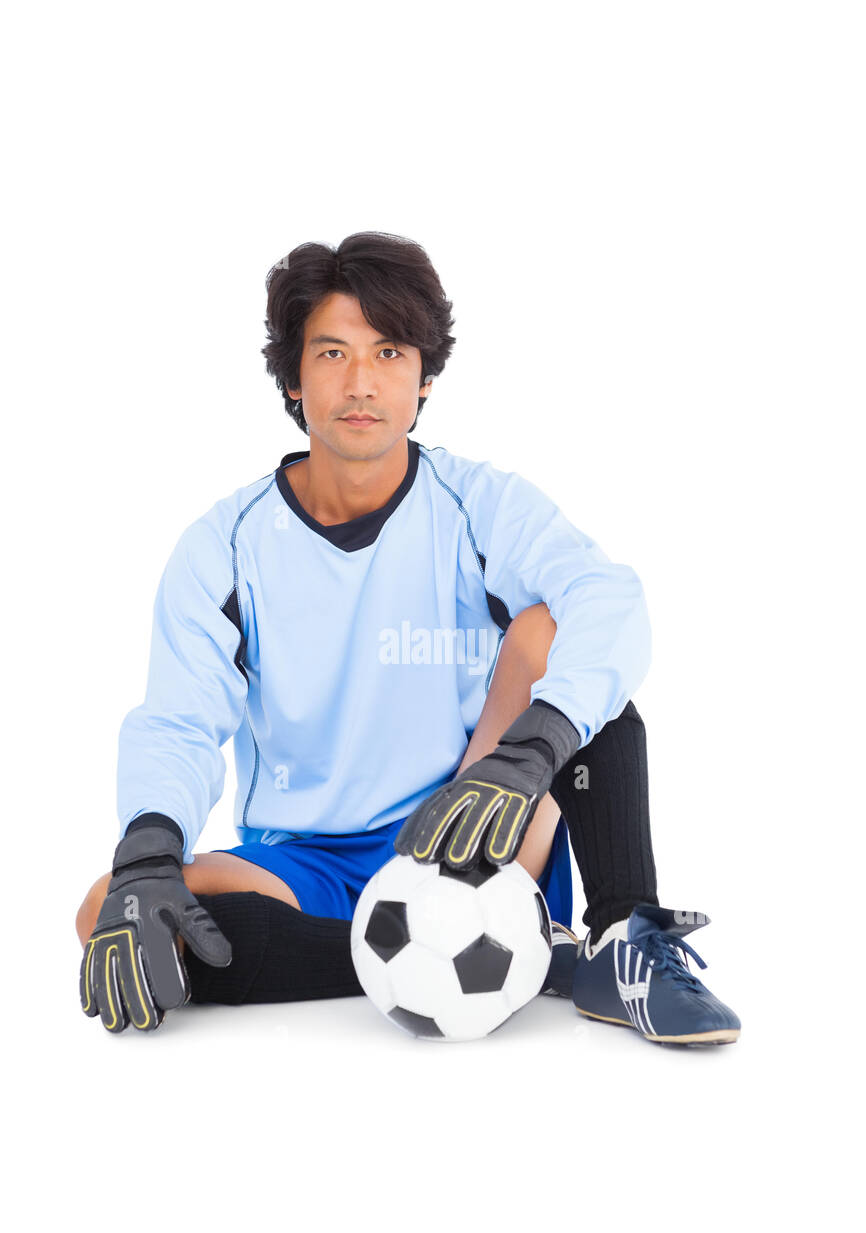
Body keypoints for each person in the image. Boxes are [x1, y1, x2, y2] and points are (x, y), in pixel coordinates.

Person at [76, 231, 740, 1046]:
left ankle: (619, 941)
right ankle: (507, 957)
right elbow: (178, 722)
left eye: (389, 352)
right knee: (113, 906)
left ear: (425, 378)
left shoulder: (476, 504)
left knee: (553, 629)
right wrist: (148, 852)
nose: (361, 383)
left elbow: (612, 601)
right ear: (291, 376)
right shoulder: (225, 544)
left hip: (464, 831)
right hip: (304, 861)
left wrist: (532, 751)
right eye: (331, 353)